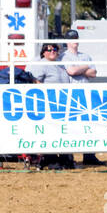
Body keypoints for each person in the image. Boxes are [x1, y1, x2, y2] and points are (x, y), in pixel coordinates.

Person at [29, 41, 75, 170]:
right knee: (50, 132)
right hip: (49, 103)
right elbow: (35, 81)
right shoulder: (42, 64)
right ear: (43, 52)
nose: (52, 51)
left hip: (62, 102)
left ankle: (66, 159)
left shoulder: (59, 64)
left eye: (54, 48)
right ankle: (51, 159)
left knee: (62, 131)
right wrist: (45, 97)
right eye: (49, 49)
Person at [60, 29, 102, 166]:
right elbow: (71, 71)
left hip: (85, 92)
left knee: (88, 123)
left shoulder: (85, 55)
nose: (75, 41)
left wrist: (79, 69)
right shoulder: (63, 56)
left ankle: (89, 155)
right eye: (72, 39)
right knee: (70, 125)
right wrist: (85, 68)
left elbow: (93, 73)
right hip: (70, 93)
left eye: (76, 38)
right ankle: (68, 156)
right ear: (67, 41)